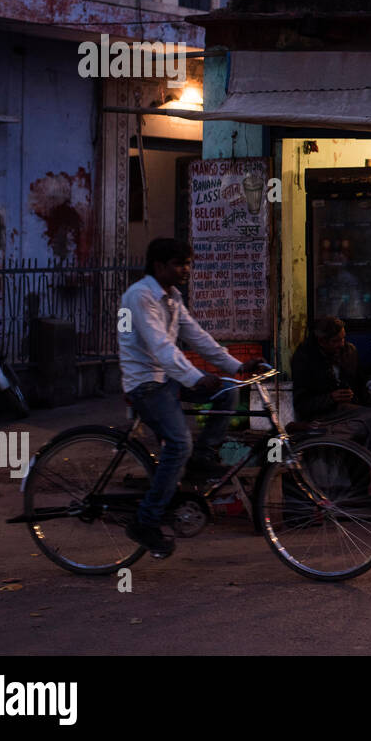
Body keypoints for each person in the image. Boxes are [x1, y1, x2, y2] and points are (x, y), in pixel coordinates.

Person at [119, 238, 261, 557]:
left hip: (168, 378)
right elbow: (162, 348)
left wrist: (236, 366)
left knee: (228, 391)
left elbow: (198, 336)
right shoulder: (140, 297)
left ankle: (204, 455)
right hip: (146, 385)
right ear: (159, 266)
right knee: (179, 444)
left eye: (188, 263)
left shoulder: (172, 297)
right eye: (179, 264)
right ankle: (146, 521)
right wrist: (197, 377)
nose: (186, 269)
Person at [290, 317, 371, 451]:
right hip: (322, 415)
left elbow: (361, 387)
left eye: (343, 338)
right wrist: (331, 398)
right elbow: (301, 404)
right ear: (322, 341)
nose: (342, 344)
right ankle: (322, 432)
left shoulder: (349, 351)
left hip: (348, 411)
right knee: (367, 421)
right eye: (336, 341)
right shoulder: (304, 358)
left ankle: (330, 434)